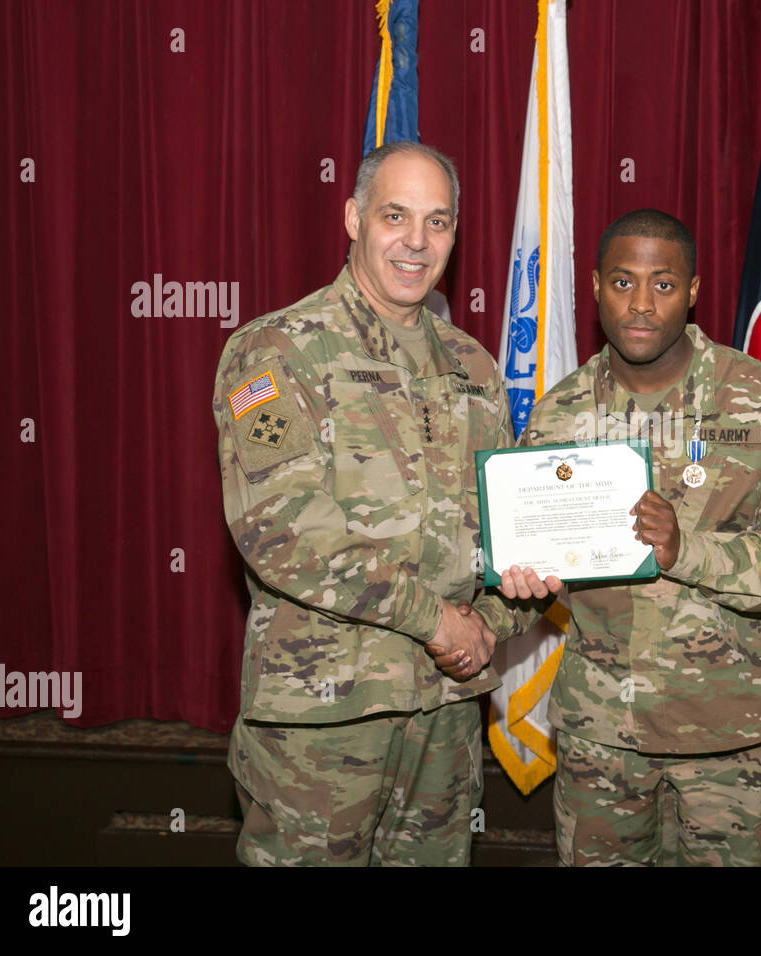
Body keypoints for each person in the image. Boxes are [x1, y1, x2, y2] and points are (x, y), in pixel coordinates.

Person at [490, 209, 761, 866]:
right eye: (622, 282)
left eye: (664, 284)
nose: (641, 305)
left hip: (734, 743)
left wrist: (688, 552)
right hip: (602, 743)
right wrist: (512, 588)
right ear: (593, 287)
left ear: (695, 290)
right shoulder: (559, 414)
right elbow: (529, 560)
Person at [214, 141, 527, 865]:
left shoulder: (475, 366)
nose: (417, 242)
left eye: (438, 222)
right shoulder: (276, 352)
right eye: (395, 215)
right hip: (325, 720)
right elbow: (287, 532)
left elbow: (505, 529)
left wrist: (497, 614)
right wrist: (439, 621)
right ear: (354, 218)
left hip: (445, 717)